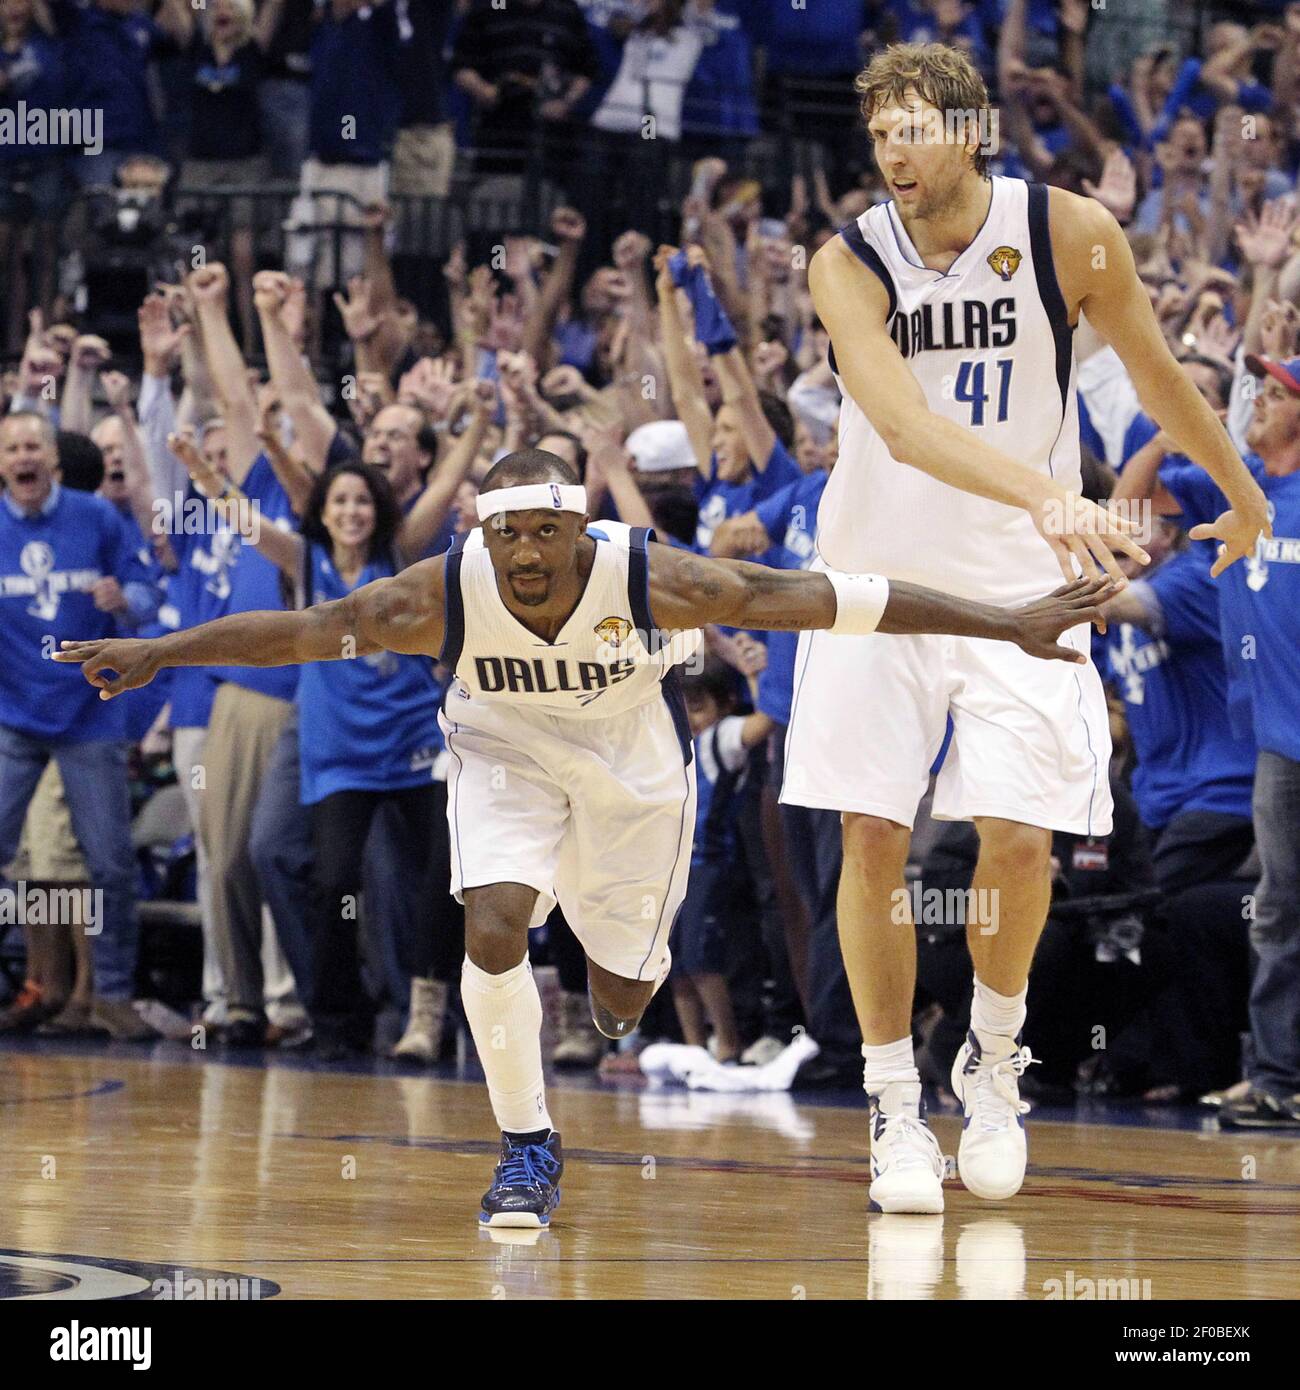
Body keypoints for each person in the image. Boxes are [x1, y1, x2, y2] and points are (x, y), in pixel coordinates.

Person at [57, 448, 1115, 1226]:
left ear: (581, 534)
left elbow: (831, 597)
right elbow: (297, 635)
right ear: (483, 535)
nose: (523, 551)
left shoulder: (659, 578)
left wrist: (1007, 620)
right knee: (493, 925)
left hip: (631, 776)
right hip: (503, 756)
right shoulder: (442, 592)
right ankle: (526, 1148)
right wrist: (161, 650)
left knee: (618, 1001)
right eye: (504, 532)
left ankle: (609, 991)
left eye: (542, 533)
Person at [782, 42, 1270, 1214]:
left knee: (1020, 840)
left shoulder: (1071, 232)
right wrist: (1048, 492)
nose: (894, 152)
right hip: (878, 580)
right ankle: (895, 1103)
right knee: (870, 836)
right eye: (879, 133)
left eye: (914, 129)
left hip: (1023, 587)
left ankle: (993, 1063)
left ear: (969, 127)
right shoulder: (845, 261)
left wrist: (1241, 491)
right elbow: (896, 425)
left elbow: (1156, 376)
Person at [0, 411, 159, 1039]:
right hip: (13, 717)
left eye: (32, 444)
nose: (23, 457)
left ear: (53, 460)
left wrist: (127, 601)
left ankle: (113, 995)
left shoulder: (96, 517)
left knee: (112, 863)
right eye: (11, 448)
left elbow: (148, 592)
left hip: (92, 712)